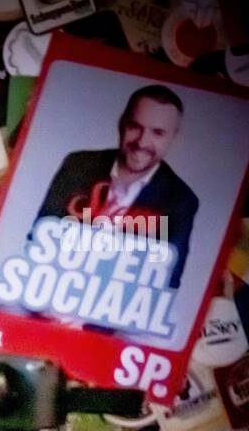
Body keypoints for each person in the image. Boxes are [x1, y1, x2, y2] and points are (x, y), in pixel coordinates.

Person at [36, 84, 199, 287]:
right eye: (134, 126)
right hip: (51, 283)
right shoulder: (78, 164)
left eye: (157, 133)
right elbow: (40, 235)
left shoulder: (180, 200)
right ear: (121, 123)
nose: (141, 141)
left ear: (173, 137)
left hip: (110, 306)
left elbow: (165, 278)